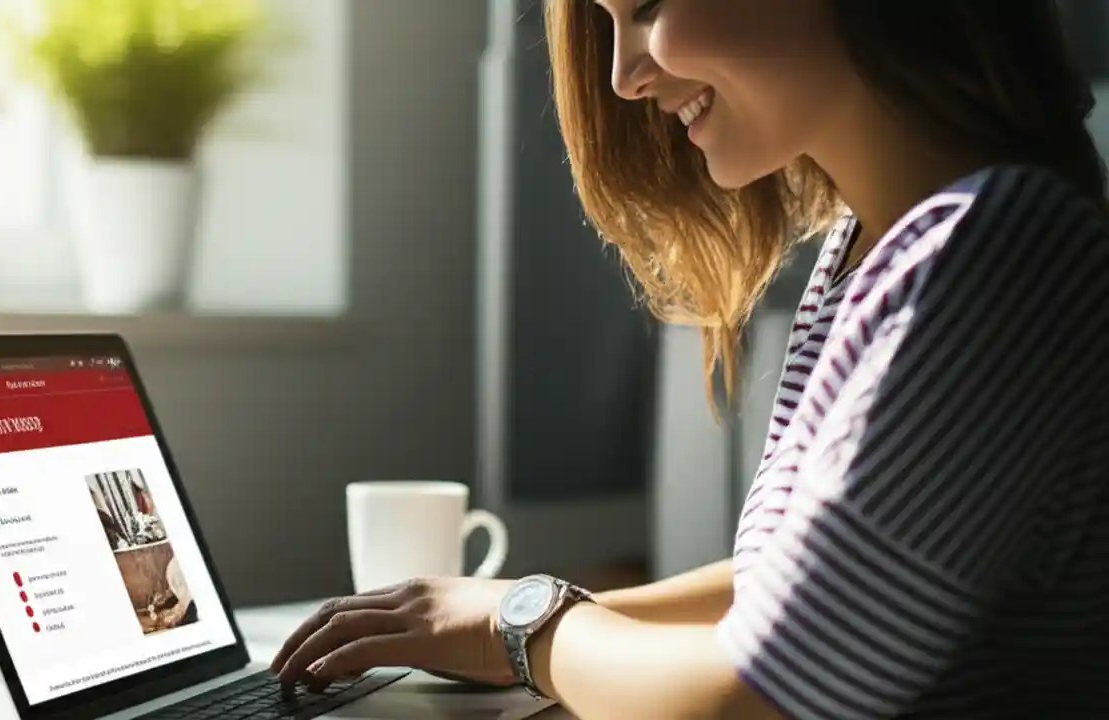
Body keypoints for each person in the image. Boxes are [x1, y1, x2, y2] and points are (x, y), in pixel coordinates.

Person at [273, 1, 1109, 717]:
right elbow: (789, 583)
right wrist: (511, 617)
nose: (622, 79)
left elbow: (761, 697)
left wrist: (516, 626)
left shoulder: (997, 245)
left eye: (646, 10)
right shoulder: (869, 249)